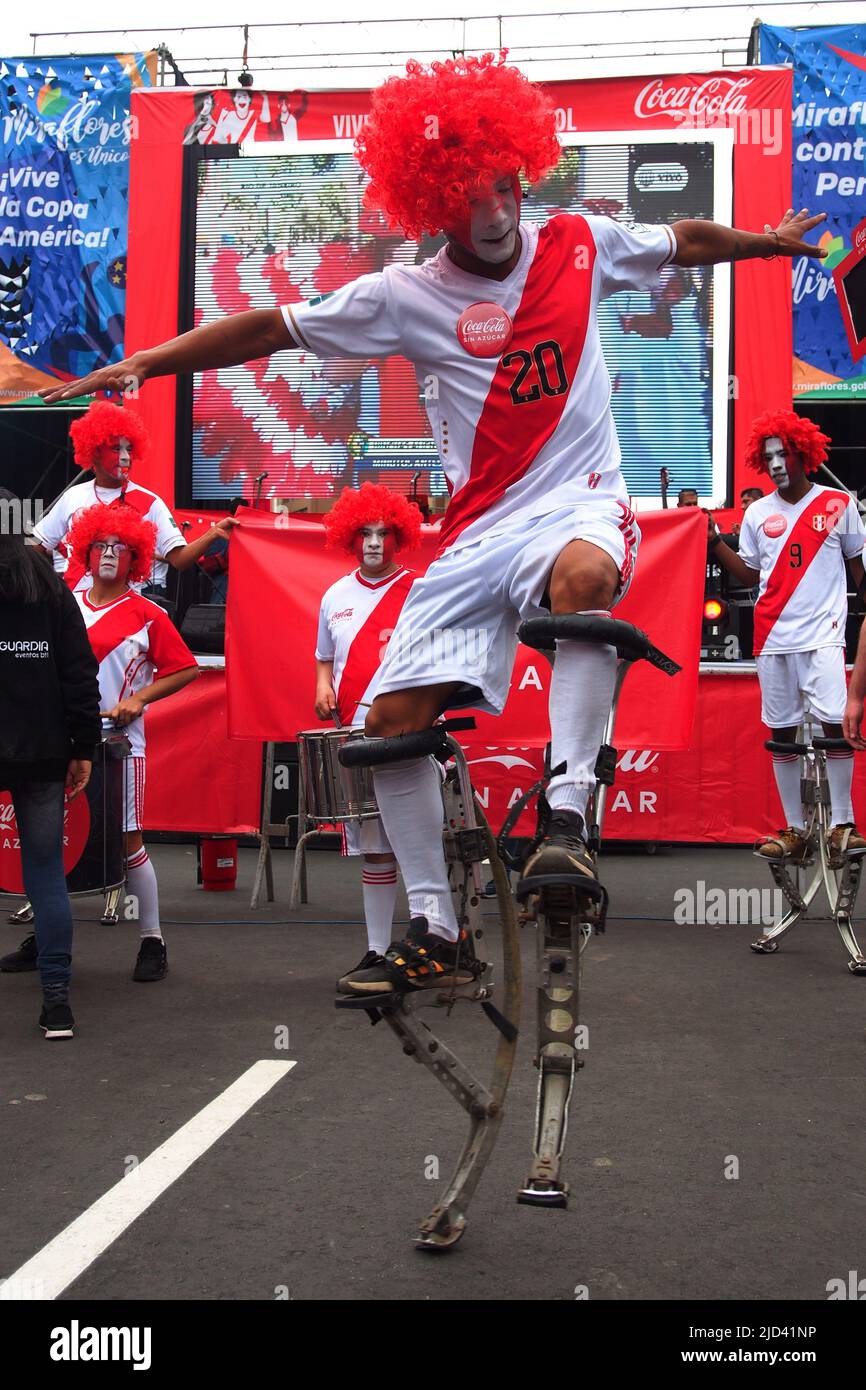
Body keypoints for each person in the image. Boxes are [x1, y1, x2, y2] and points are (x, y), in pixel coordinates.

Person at [40, 53, 830, 996]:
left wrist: (766, 244)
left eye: (501, 185)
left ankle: (569, 820)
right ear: (431, 204)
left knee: (584, 581)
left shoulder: (582, 239)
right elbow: (260, 330)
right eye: (462, 195)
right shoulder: (402, 296)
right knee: (389, 721)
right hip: (475, 531)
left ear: (521, 172)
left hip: (577, 499)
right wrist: (141, 364)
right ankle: (436, 928)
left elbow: (684, 240)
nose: (490, 209)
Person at [4, 504, 200, 984]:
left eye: (121, 547)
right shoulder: (58, 598)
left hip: (117, 746)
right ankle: (45, 940)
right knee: (51, 846)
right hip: (59, 745)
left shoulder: (148, 613)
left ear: (135, 557)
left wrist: (139, 699)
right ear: (84, 551)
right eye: (101, 545)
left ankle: (151, 939)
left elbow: (187, 668)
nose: (109, 554)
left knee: (129, 841)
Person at [709, 411, 866, 862]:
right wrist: (715, 543)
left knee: (836, 727)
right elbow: (749, 576)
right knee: (782, 733)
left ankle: (842, 824)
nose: (776, 463)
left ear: (805, 454)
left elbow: (859, 573)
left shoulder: (839, 504)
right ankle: (795, 831)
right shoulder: (758, 512)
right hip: (772, 636)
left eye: (785, 453)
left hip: (824, 636)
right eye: (769, 455)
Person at [0, 489, 101, 1039]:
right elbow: (78, 672)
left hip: (36, 747)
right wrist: (83, 745)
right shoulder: (48, 583)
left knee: (44, 872)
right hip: (44, 749)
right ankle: (56, 1001)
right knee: (45, 874)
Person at [314, 483, 422, 986]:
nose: (374, 542)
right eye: (365, 533)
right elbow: (324, 658)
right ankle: (378, 951)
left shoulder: (418, 591)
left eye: (383, 533)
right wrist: (321, 686)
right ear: (350, 538)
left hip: (409, 736)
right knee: (376, 847)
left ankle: (431, 942)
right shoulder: (335, 595)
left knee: (420, 844)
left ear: (399, 536)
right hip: (354, 737)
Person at [33, 399, 237, 595]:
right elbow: (38, 545)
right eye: (116, 448)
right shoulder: (73, 496)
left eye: (129, 449)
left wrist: (213, 533)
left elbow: (179, 560)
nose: (126, 457)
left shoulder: (150, 502)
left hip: (125, 609)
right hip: (76, 609)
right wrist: (48, 587)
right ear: (94, 452)